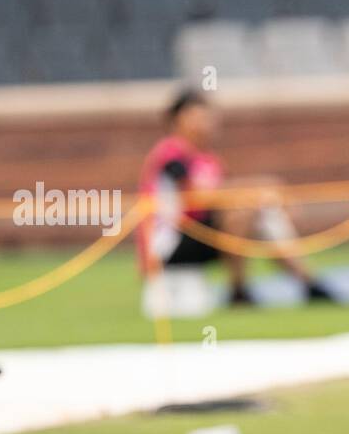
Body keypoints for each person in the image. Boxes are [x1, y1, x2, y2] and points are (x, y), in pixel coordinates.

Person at [137, 90, 337, 307]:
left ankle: (305, 282)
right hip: (171, 241)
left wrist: (261, 195)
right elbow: (198, 197)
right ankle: (240, 288)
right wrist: (261, 187)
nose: (204, 124)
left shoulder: (210, 159)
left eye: (207, 118)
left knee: (261, 213)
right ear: (177, 121)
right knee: (243, 209)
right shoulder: (171, 154)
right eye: (196, 118)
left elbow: (221, 197)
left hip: (205, 235)